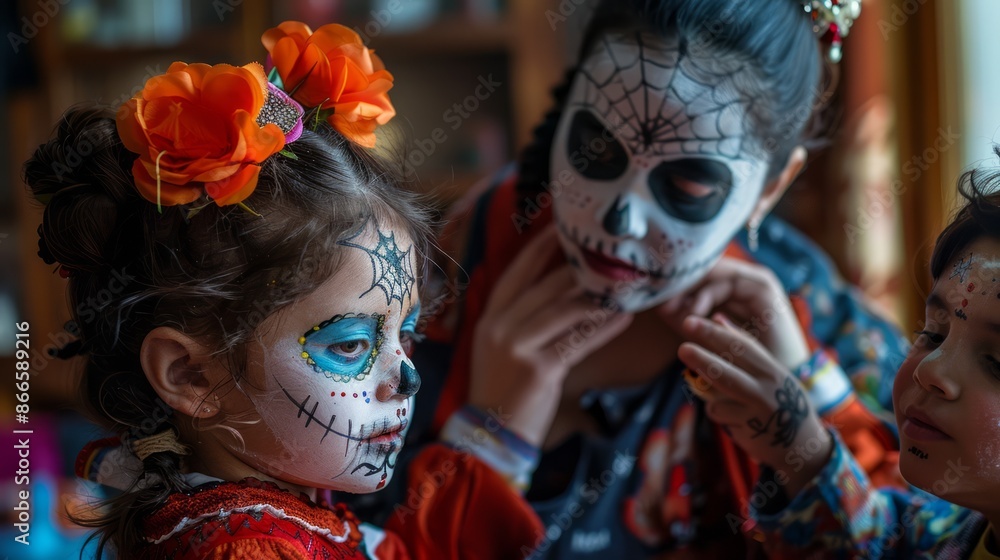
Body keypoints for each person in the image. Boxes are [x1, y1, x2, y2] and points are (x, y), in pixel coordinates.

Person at [348, 0, 912, 557]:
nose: (622, 219)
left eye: (687, 187)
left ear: (770, 188)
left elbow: (925, 536)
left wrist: (805, 422)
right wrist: (487, 442)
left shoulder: (798, 300)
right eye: (595, 151)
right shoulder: (455, 261)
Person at [25, 21, 541, 559]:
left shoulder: (283, 516)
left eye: (405, 333)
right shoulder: (251, 550)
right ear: (192, 374)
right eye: (349, 346)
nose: (407, 377)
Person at [681, 156, 1000, 558]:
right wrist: (800, 447)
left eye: (996, 364)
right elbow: (880, 543)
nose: (929, 370)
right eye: (933, 334)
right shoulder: (958, 532)